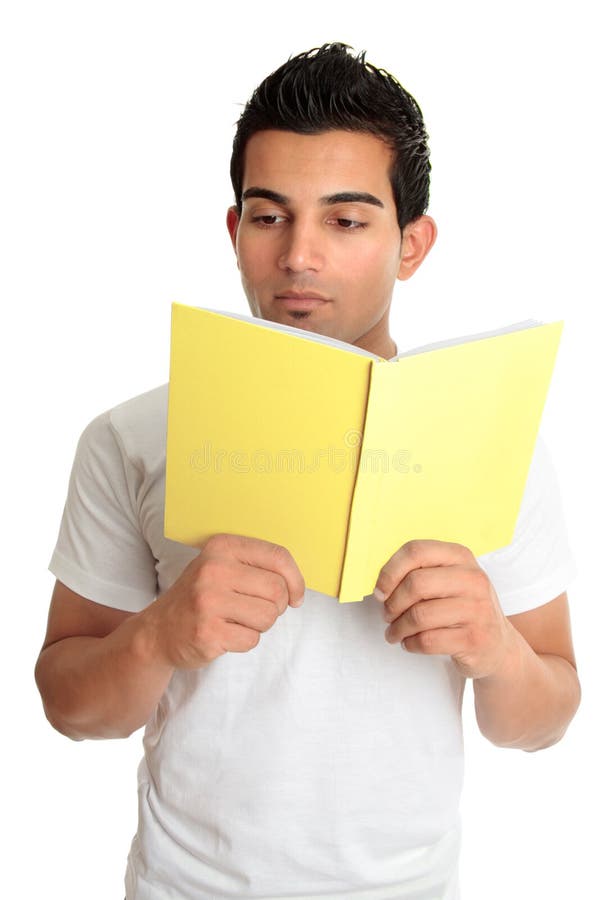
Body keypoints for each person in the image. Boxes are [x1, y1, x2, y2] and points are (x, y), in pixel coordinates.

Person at [35, 43, 581, 900]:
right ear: (235, 231)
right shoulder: (130, 437)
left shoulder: (493, 437)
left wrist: (496, 648)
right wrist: (157, 636)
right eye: (269, 217)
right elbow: (70, 708)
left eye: (346, 220)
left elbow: (542, 722)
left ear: (411, 243)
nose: (298, 256)